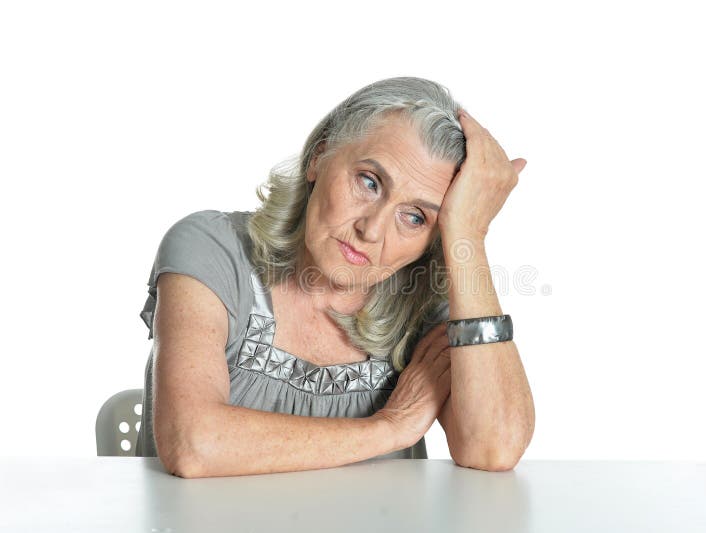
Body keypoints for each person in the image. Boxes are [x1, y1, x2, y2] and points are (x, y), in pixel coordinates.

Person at [135, 76, 535, 477]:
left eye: (415, 217)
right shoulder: (212, 248)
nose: (372, 230)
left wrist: (468, 235)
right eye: (369, 182)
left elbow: (495, 449)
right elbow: (194, 445)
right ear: (319, 157)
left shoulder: (424, 298)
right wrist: (390, 427)